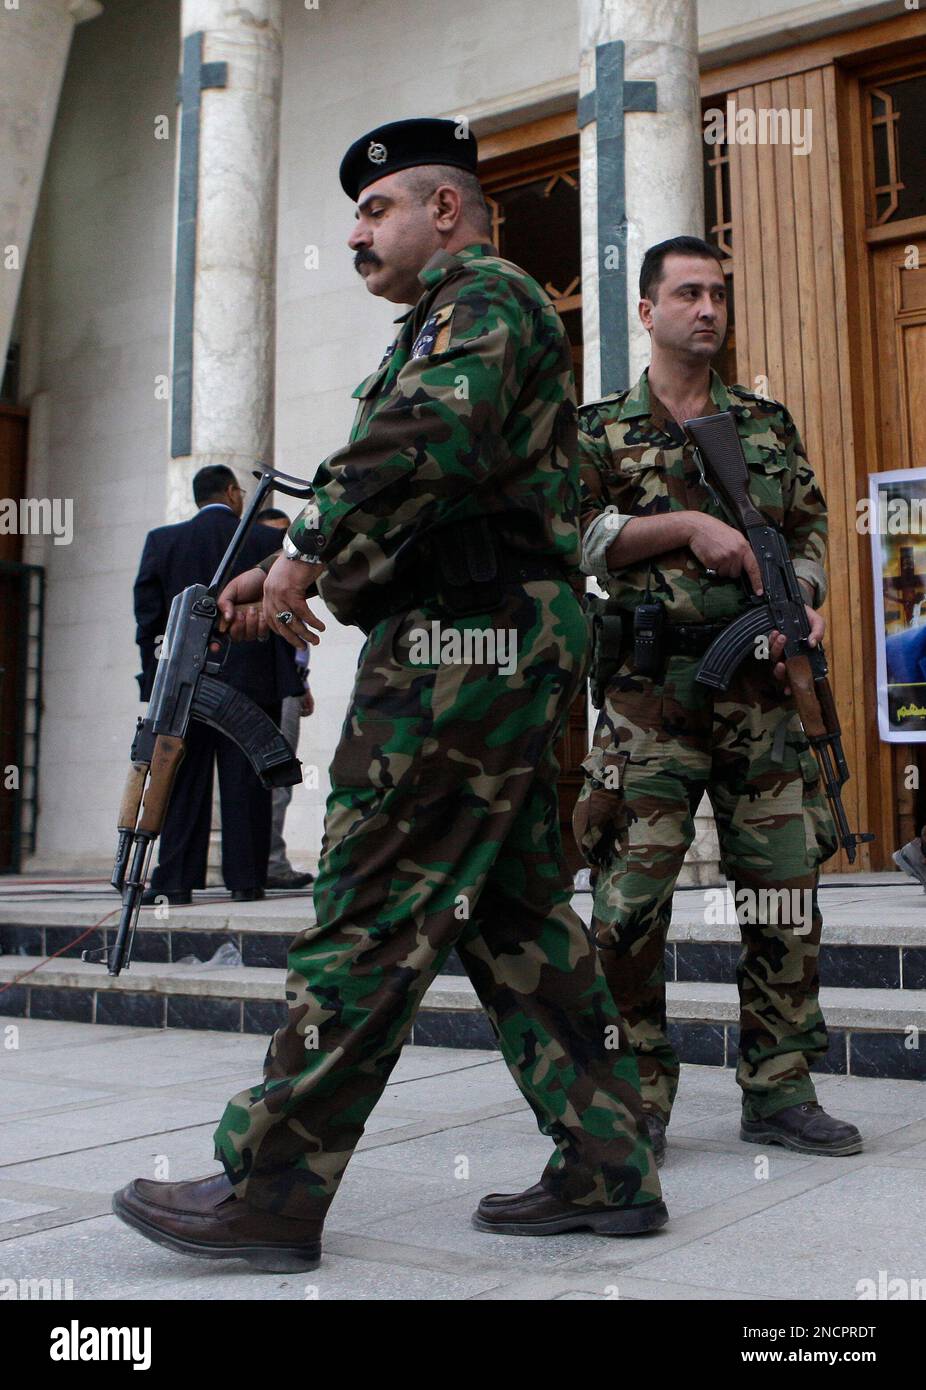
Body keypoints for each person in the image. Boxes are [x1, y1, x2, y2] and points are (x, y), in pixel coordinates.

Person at [112, 117, 665, 1273]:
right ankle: (607, 1164)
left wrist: (308, 541)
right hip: (486, 633)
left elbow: (432, 432)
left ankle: (269, 1185)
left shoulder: (486, 295)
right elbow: (443, 490)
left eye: (376, 211)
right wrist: (302, 565)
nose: (356, 234)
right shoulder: (447, 317)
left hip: (466, 648)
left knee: (370, 902)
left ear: (444, 212)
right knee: (515, 917)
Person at [573, 235, 863, 1164]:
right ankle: (638, 1092)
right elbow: (563, 533)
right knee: (630, 906)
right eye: (688, 294)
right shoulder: (596, 430)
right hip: (647, 697)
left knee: (785, 893)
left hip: (762, 694)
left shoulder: (766, 426)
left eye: (719, 295)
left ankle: (779, 1087)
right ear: (647, 311)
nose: (708, 310)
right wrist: (683, 525)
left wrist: (804, 603)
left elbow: (811, 527)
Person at [133, 466, 305, 904]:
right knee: (247, 783)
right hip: (251, 683)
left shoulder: (163, 542)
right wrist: (290, 677)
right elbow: (283, 614)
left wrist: (156, 684)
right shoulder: (267, 543)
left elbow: (148, 621)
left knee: (181, 782)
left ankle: (175, 883)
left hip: (181, 683)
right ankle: (247, 881)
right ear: (231, 493)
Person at [255, 507, 316, 891]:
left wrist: (302, 683)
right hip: (268, 686)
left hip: (287, 684)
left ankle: (267, 860)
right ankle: (267, 862)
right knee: (271, 778)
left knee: (280, 778)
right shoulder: (266, 579)